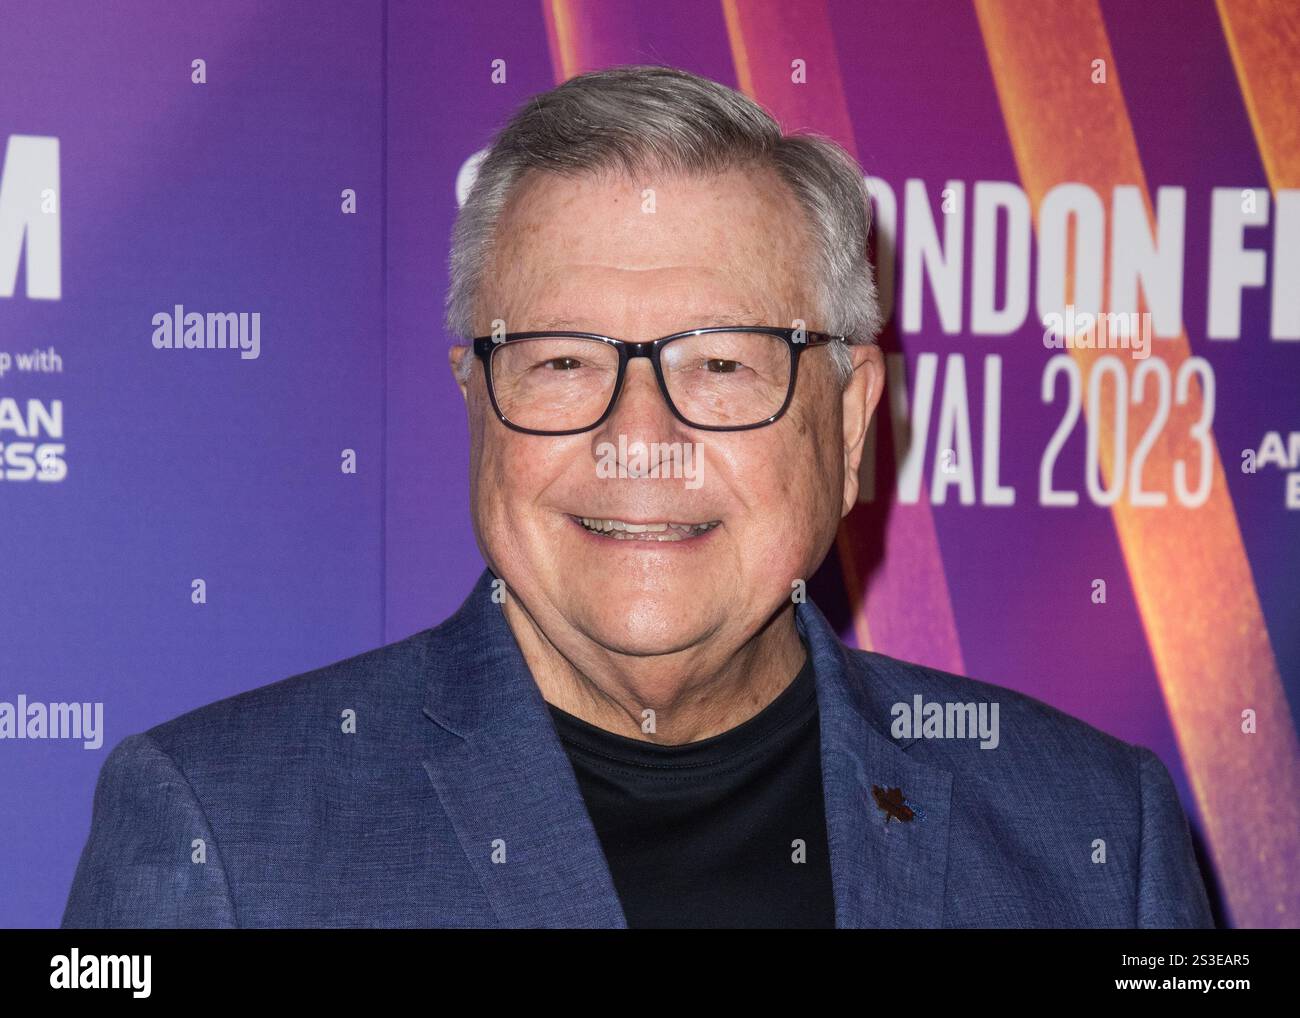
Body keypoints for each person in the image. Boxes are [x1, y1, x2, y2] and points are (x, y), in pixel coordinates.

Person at [62, 65, 1213, 929]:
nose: (640, 440)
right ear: (475, 400)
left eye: (722, 363)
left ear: (849, 421)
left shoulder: (1100, 835)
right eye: (563, 361)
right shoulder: (220, 835)